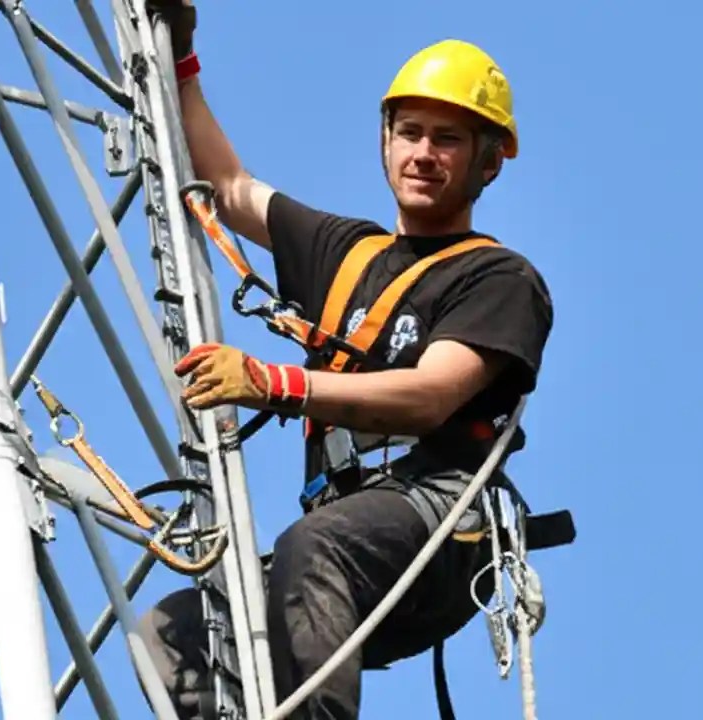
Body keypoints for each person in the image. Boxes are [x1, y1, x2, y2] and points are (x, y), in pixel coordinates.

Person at [136, 2, 554, 718]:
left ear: (488, 162)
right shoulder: (345, 252)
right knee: (176, 628)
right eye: (410, 132)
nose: (423, 153)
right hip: (343, 535)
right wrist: (178, 59)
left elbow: (429, 395)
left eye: (448, 140)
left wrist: (272, 382)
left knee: (312, 549)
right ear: (385, 140)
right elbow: (229, 188)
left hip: (436, 525)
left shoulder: (497, 279)